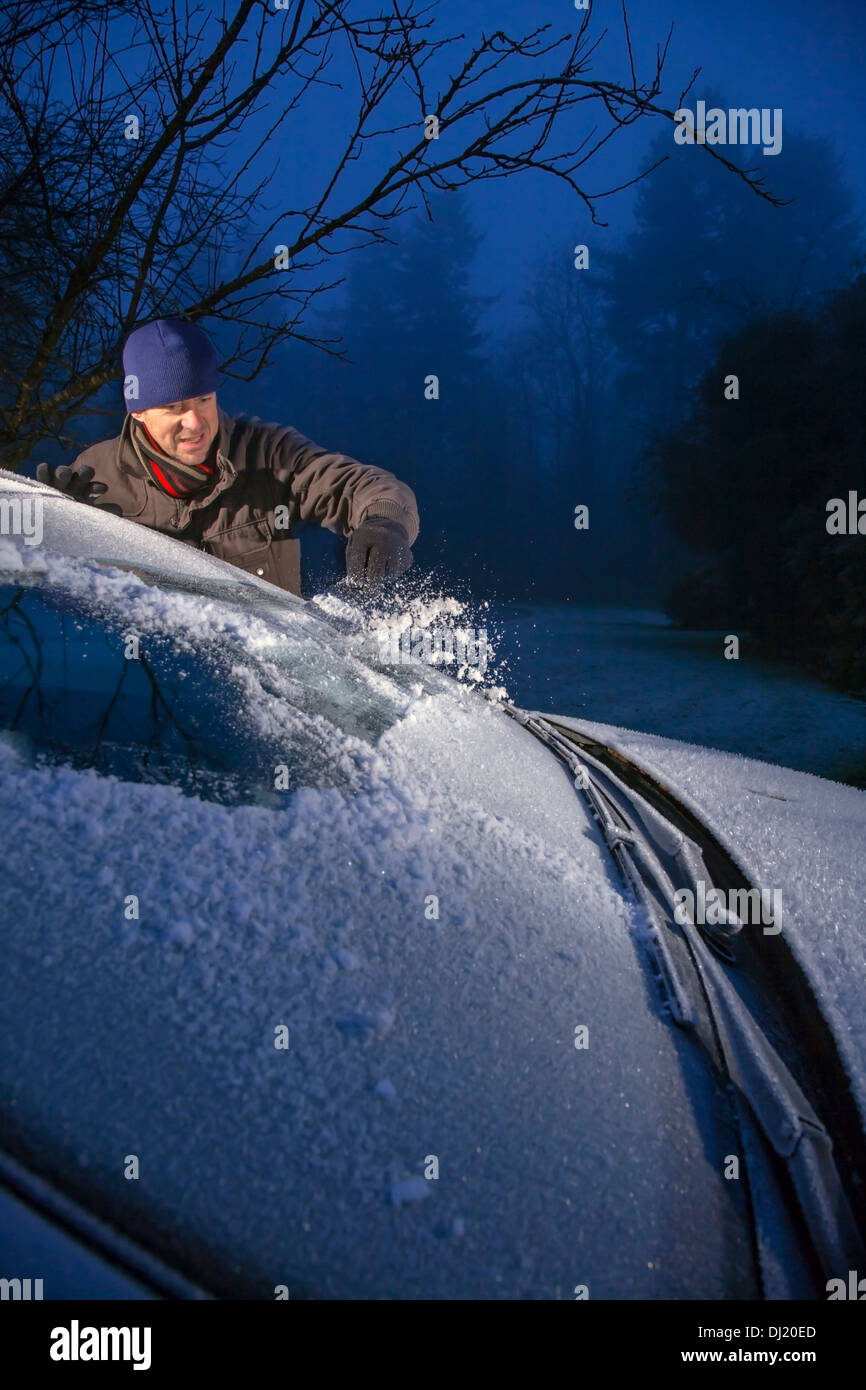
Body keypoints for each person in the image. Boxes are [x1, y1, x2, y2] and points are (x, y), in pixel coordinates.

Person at [36, 317, 418, 594]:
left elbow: (358, 485)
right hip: (149, 687)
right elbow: (51, 599)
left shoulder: (267, 454)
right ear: (137, 410)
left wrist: (385, 522)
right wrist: (54, 527)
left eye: (204, 399)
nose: (195, 421)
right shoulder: (95, 480)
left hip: (265, 685)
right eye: (173, 407)